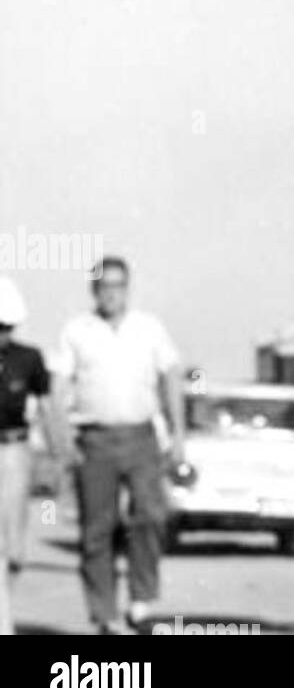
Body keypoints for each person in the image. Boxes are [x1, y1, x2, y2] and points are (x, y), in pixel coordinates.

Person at [51, 256, 185, 634]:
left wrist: (178, 436)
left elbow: (172, 375)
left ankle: (141, 601)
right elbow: (58, 388)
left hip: (142, 437)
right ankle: (105, 613)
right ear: (94, 289)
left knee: (151, 516)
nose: (111, 293)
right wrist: (63, 443)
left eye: (118, 285)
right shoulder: (77, 331)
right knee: (98, 529)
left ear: (128, 288)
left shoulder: (149, 329)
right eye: (104, 286)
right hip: (95, 440)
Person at [0, 277, 65, 636]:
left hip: (14, 454)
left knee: (14, 550)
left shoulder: (29, 359)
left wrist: (57, 455)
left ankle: (4, 599)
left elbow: (47, 409)